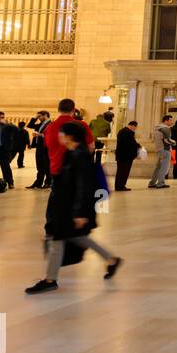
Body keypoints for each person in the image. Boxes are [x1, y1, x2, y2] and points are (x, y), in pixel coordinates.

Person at [24, 121, 122, 294]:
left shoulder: (80, 156)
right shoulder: (71, 153)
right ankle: (111, 260)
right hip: (66, 207)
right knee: (77, 238)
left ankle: (50, 279)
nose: (59, 136)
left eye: (61, 133)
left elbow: (84, 187)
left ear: (69, 136)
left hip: (73, 209)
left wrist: (80, 213)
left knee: (58, 240)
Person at [147, 115, 174, 188]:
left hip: (158, 149)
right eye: (171, 120)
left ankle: (152, 183)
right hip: (165, 149)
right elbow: (167, 140)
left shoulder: (157, 128)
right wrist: (174, 142)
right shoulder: (166, 129)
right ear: (166, 120)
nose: (172, 122)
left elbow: (153, 139)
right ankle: (161, 183)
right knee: (164, 167)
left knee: (158, 167)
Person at [114, 120, 140, 191]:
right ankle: (121, 186)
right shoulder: (128, 132)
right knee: (124, 172)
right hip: (126, 156)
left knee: (120, 171)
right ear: (133, 125)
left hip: (121, 155)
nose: (135, 129)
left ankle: (118, 186)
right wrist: (138, 146)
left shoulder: (122, 131)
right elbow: (131, 144)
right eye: (135, 127)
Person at [29, 112, 52, 189]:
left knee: (47, 166)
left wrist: (40, 135)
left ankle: (48, 183)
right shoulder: (40, 124)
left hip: (46, 147)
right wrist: (35, 118)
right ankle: (38, 183)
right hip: (39, 147)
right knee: (40, 166)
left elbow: (51, 135)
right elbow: (30, 125)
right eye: (38, 116)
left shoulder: (51, 124)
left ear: (45, 115)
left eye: (40, 116)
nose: (38, 118)